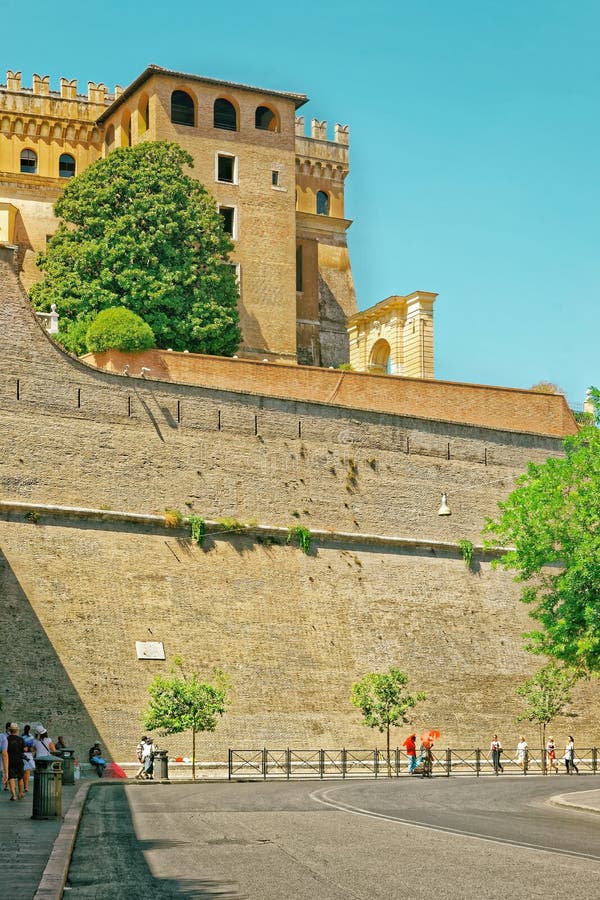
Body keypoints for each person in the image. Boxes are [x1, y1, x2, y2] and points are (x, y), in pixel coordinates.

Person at [6, 723, 25, 800]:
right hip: (19, 760)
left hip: (10, 760)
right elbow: (24, 749)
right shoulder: (21, 739)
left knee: (11, 777)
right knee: (20, 777)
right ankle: (20, 793)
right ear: (17, 730)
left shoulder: (6, 739)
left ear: (10, 730)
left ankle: (14, 795)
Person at [21, 725, 35, 792]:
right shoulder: (31, 737)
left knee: (23, 771)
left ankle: (24, 785)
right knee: (28, 771)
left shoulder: (21, 737)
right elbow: (32, 748)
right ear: (29, 730)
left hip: (22, 754)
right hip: (29, 754)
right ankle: (26, 786)